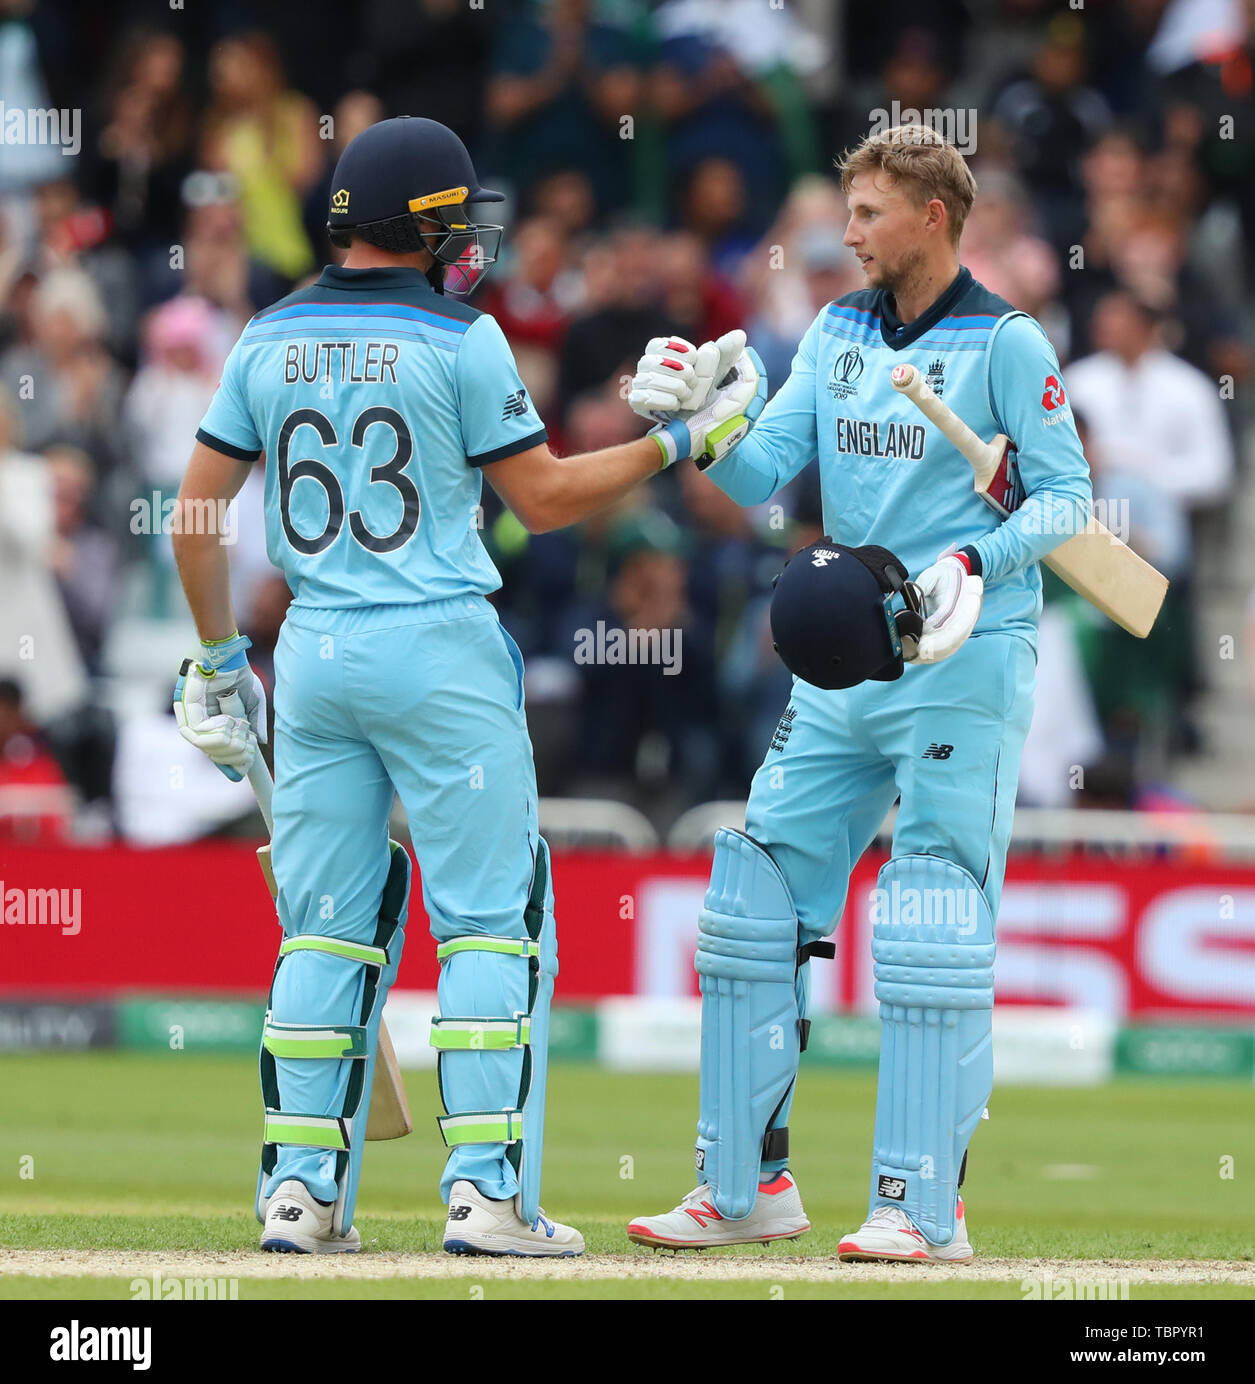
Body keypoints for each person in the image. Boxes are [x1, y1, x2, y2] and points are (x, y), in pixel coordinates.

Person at [169, 116, 766, 1258]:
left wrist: (213, 660)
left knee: (324, 932)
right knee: (492, 921)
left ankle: (299, 1195)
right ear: (423, 226)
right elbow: (539, 500)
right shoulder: (463, 338)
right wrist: (678, 446)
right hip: (437, 645)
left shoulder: (264, 335)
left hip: (315, 650)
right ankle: (485, 1197)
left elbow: (195, 520)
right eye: (453, 221)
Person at [627, 124, 1092, 1262]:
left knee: (931, 912)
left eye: (868, 214)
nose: (845, 235)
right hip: (843, 661)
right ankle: (743, 1188)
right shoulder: (836, 328)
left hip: (961, 656)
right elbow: (756, 473)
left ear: (933, 215)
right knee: (749, 904)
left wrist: (973, 562)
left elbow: (1068, 500)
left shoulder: (1006, 342)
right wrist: (693, 418)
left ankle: (921, 1207)